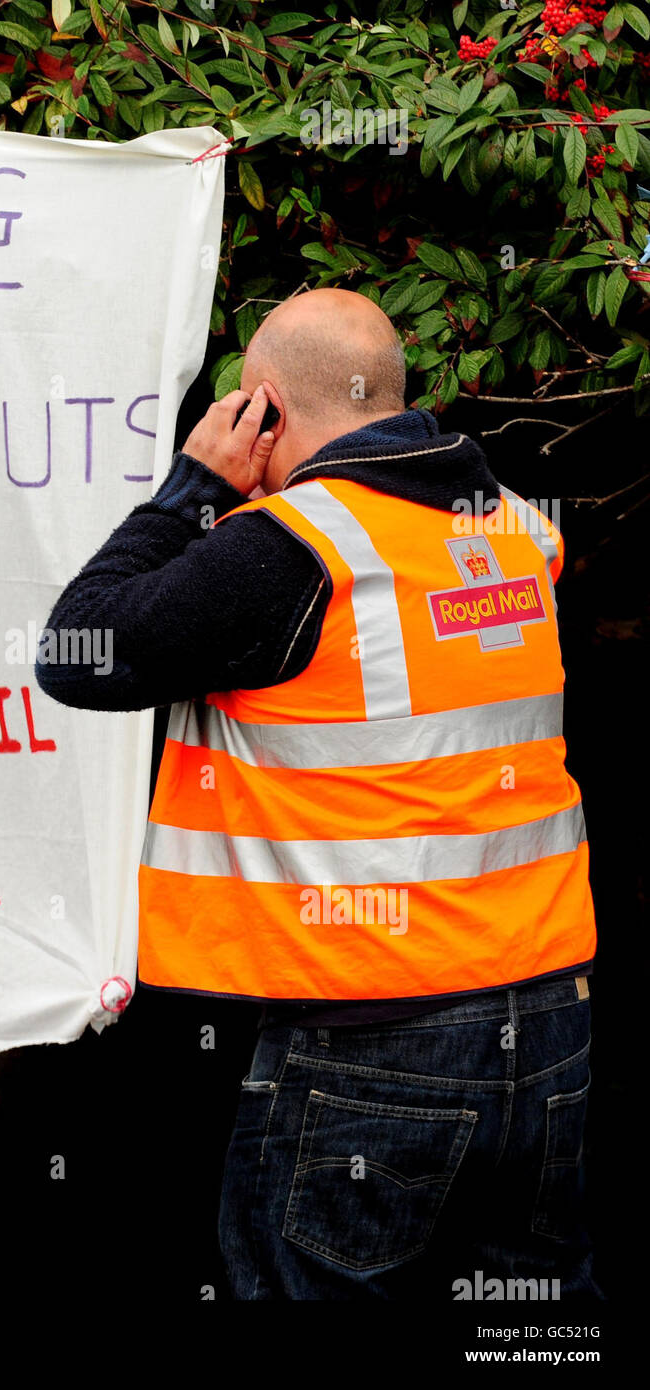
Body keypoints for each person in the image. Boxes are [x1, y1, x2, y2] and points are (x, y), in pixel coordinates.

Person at [35, 287, 599, 1300]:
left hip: (373, 1052)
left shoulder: (289, 549)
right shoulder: (516, 529)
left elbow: (80, 650)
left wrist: (191, 489)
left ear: (261, 409)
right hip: (548, 1026)